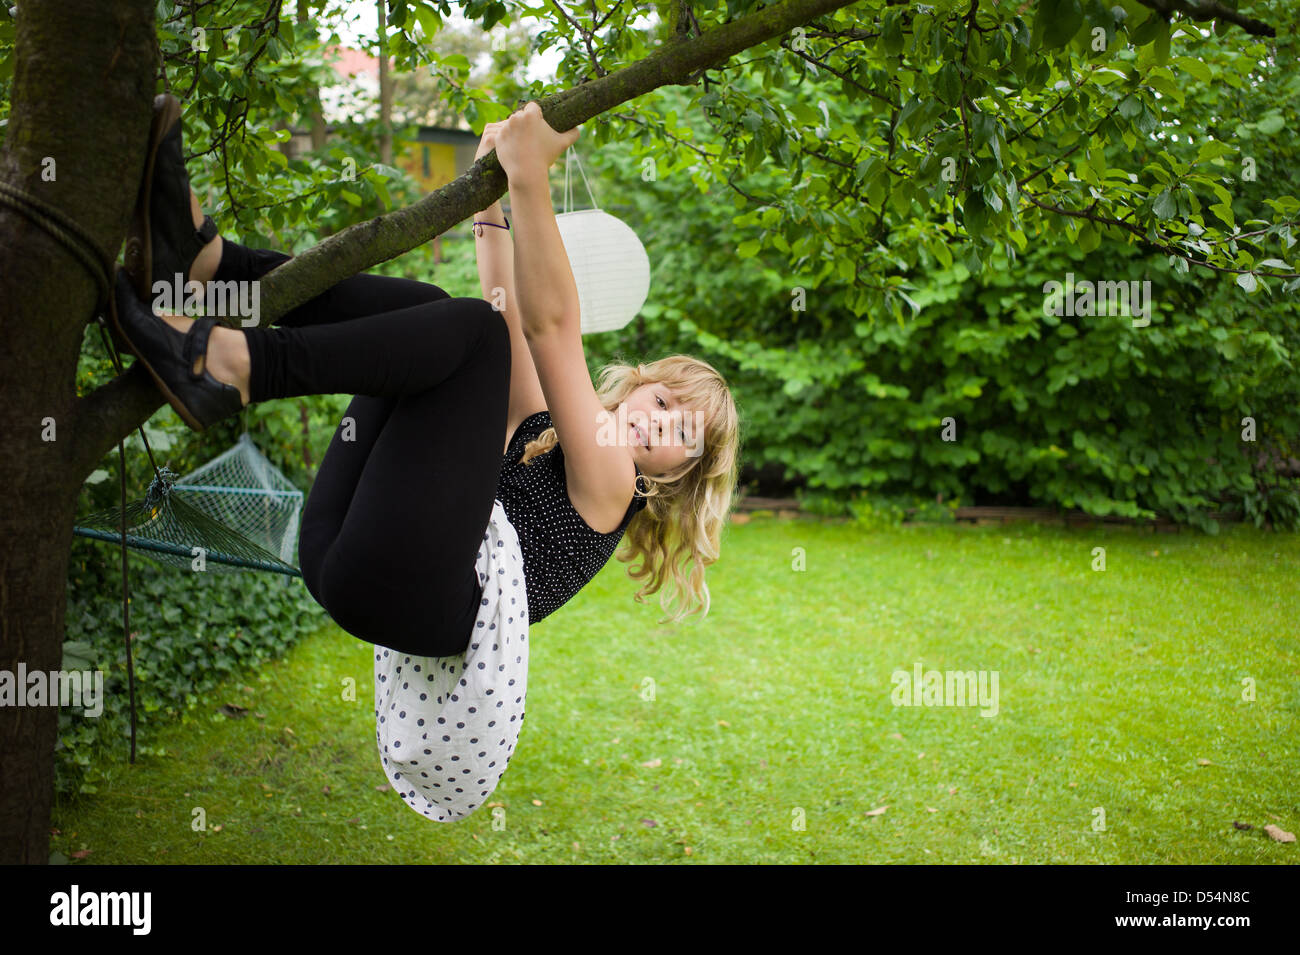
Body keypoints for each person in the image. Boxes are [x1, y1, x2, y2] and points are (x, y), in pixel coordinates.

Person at [109, 95, 741, 820]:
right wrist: (490, 196)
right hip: (343, 551)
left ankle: (233, 366)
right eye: (666, 405)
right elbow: (509, 307)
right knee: (434, 307)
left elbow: (552, 324)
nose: (663, 428)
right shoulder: (551, 434)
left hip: (404, 591)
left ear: (673, 479)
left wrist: (530, 175)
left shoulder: (612, 483)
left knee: (470, 333)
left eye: (682, 439)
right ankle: (212, 269)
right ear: (637, 389)